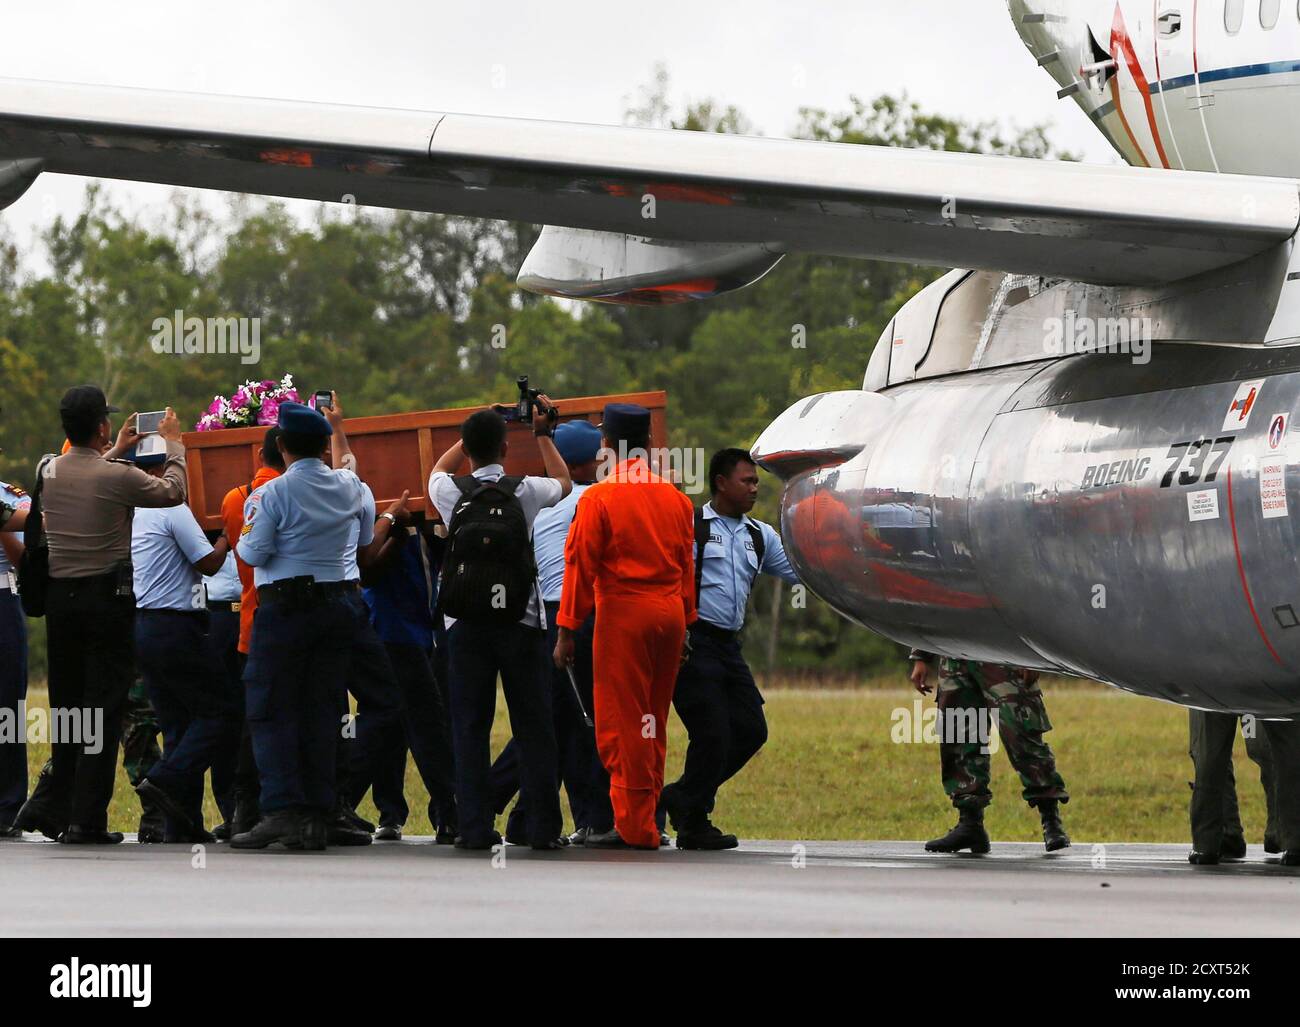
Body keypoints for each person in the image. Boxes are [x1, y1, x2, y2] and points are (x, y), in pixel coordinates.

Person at [18, 389, 187, 844]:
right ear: (101, 427)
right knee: (104, 710)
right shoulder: (119, 477)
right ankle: (86, 821)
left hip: (60, 604)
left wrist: (116, 450)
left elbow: (86, 473)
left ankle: (60, 810)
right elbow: (172, 493)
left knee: (69, 709)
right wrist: (175, 446)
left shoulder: (49, 471)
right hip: (105, 603)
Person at [428, 400, 570, 850]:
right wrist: (543, 434)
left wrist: (470, 436)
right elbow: (565, 483)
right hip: (521, 621)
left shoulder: (450, 490)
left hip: (465, 624)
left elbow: (435, 469)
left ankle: (472, 828)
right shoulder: (525, 490)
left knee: (469, 726)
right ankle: (542, 829)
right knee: (534, 726)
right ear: (508, 448)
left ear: (468, 448)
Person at [555, 403, 696, 849]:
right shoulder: (675, 497)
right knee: (653, 717)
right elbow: (687, 565)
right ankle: (649, 817)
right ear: (650, 443)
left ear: (605, 446)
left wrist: (566, 629)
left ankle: (635, 826)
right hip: (670, 615)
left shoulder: (600, 496)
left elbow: (579, 566)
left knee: (621, 722)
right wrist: (687, 623)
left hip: (624, 615)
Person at [232, 402, 371, 851]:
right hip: (339, 606)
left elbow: (252, 554)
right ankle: (321, 811)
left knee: (272, 707)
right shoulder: (351, 485)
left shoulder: (270, 495)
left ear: (281, 446)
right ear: (326, 445)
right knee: (323, 710)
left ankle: (283, 811)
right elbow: (365, 538)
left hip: (286, 610)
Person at [659, 448, 800, 850]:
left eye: (756, 482)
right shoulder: (691, 525)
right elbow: (668, 577)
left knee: (752, 729)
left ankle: (683, 796)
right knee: (712, 733)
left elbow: (799, 572)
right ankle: (695, 821)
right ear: (721, 482)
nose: (755, 488)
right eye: (747, 481)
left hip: (728, 647)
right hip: (692, 641)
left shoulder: (760, 535)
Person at [489, 420, 612, 845]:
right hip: (583, 613)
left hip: (546, 618)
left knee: (554, 721)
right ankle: (593, 818)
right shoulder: (595, 498)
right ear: (590, 460)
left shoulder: (538, 501)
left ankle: (515, 814)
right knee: (581, 722)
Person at [129, 440, 242, 843]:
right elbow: (208, 563)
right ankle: (165, 779)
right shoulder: (171, 509)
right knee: (222, 713)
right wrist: (230, 533)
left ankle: (182, 825)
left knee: (179, 723)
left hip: (145, 626)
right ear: (165, 471)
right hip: (177, 627)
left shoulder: (132, 511)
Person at [356, 516, 459, 843]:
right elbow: (369, 571)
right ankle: (446, 812)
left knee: (395, 721)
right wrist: (395, 528)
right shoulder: (380, 519)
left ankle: (387, 810)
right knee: (424, 722)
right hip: (393, 629)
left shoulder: (425, 517)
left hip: (418, 629)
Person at [909, 652, 1070, 854]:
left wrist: (1034, 655)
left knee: (1021, 734)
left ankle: (1051, 820)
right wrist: (921, 656)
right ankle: (970, 824)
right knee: (959, 738)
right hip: (953, 654)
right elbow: (934, 617)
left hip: (1002, 650)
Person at [218, 426, 284, 836]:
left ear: (260, 454)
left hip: (248, 617)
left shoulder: (233, 498)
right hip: (284, 615)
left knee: (252, 717)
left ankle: (243, 807)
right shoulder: (292, 493)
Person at [1188, 709, 1300, 866]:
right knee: (1274, 740)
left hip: (1216, 689)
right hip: (1259, 693)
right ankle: (1290, 838)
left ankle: (1211, 841)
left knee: (1212, 745)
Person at [0, 475, 31, 838]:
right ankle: (6, 805)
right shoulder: (12, 501)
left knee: (8, 705)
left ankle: (8, 805)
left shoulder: (10, 495)